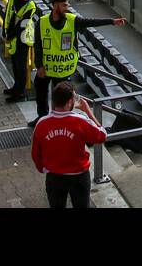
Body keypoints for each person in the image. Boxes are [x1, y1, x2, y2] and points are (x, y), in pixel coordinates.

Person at [31, 0, 115, 123]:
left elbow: (90, 22)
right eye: (64, 5)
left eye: (67, 4)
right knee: (41, 95)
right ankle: (42, 119)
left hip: (63, 69)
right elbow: (37, 46)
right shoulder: (41, 22)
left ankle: (59, 120)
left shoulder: (72, 20)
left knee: (61, 98)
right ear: (55, 6)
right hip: (46, 68)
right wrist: (39, 65)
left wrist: (112, 21)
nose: (67, 7)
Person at [30, 81, 108, 209]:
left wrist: (43, 168)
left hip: (54, 176)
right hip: (79, 176)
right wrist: (88, 111)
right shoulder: (81, 121)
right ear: (70, 102)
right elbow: (102, 135)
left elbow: (35, 153)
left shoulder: (42, 123)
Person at [2, 0, 37, 102]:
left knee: (21, 67)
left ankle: (20, 93)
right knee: (15, 65)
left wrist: (9, 36)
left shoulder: (31, 6)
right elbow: (7, 15)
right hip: (12, 36)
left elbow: (22, 25)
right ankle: (15, 87)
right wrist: (4, 31)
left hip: (22, 39)